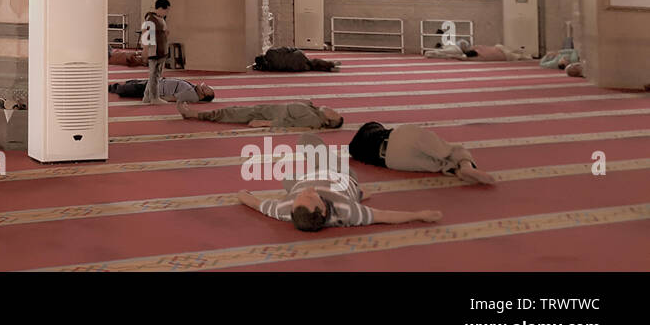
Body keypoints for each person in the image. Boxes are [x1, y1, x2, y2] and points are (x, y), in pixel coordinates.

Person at [238, 138, 441, 231]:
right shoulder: (346, 212)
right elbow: (384, 215)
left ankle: (357, 193)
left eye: (301, 196)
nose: (309, 192)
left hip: (306, 177)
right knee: (307, 141)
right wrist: (419, 215)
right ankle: (358, 193)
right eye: (310, 196)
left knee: (287, 179)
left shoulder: (285, 208)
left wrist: (241, 193)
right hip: (338, 174)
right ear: (323, 210)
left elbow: (255, 203)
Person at [349, 121, 494, 184]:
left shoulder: (357, 150)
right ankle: (466, 167)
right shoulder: (369, 128)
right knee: (452, 149)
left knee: (438, 163)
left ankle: (456, 170)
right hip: (402, 137)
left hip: (394, 161)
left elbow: (353, 150)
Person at [177, 98, 343, 129]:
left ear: (328, 121)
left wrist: (263, 124)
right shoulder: (314, 110)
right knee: (234, 110)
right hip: (268, 109)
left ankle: (193, 114)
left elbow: (289, 124)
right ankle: (196, 114)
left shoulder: (314, 120)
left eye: (333, 113)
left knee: (231, 113)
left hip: (267, 116)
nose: (331, 109)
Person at [140, 0, 171, 104]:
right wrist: (144, 49)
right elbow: (145, 33)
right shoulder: (151, 18)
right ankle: (154, 98)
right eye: (167, 10)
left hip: (161, 51)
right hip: (154, 51)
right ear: (161, 8)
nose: (167, 12)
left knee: (155, 75)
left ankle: (147, 96)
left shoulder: (161, 18)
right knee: (154, 75)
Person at [109, 77, 214, 103]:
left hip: (154, 89)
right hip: (155, 82)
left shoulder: (192, 96)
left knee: (124, 89)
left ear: (203, 96)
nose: (203, 86)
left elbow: (173, 98)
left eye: (205, 89)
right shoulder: (193, 89)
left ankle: (105, 89)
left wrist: (154, 97)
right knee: (131, 83)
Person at [252, 47, 340, 72]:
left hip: (296, 68)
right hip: (297, 57)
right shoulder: (270, 52)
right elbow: (286, 49)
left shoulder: (269, 68)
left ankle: (329, 69)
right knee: (313, 61)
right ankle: (331, 64)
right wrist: (297, 49)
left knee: (311, 67)